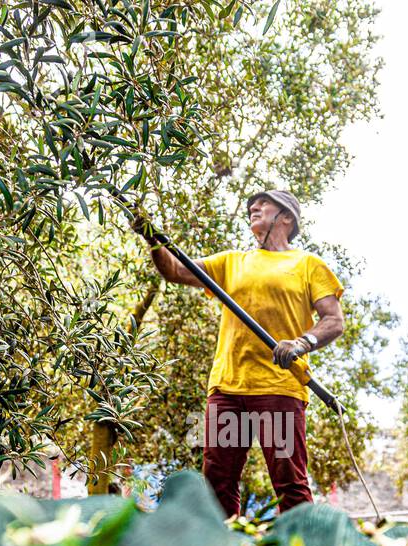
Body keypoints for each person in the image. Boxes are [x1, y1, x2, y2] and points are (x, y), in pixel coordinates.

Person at [138, 189, 346, 516]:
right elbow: (176, 271)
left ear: (287, 217)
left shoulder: (307, 265)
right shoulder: (232, 262)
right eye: (252, 204)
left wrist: (301, 343)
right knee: (217, 482)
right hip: (227, 387)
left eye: (264, 204)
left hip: (277, 387)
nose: (254, 207)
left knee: (288, 481)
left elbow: (334, 321)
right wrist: (153, 241)